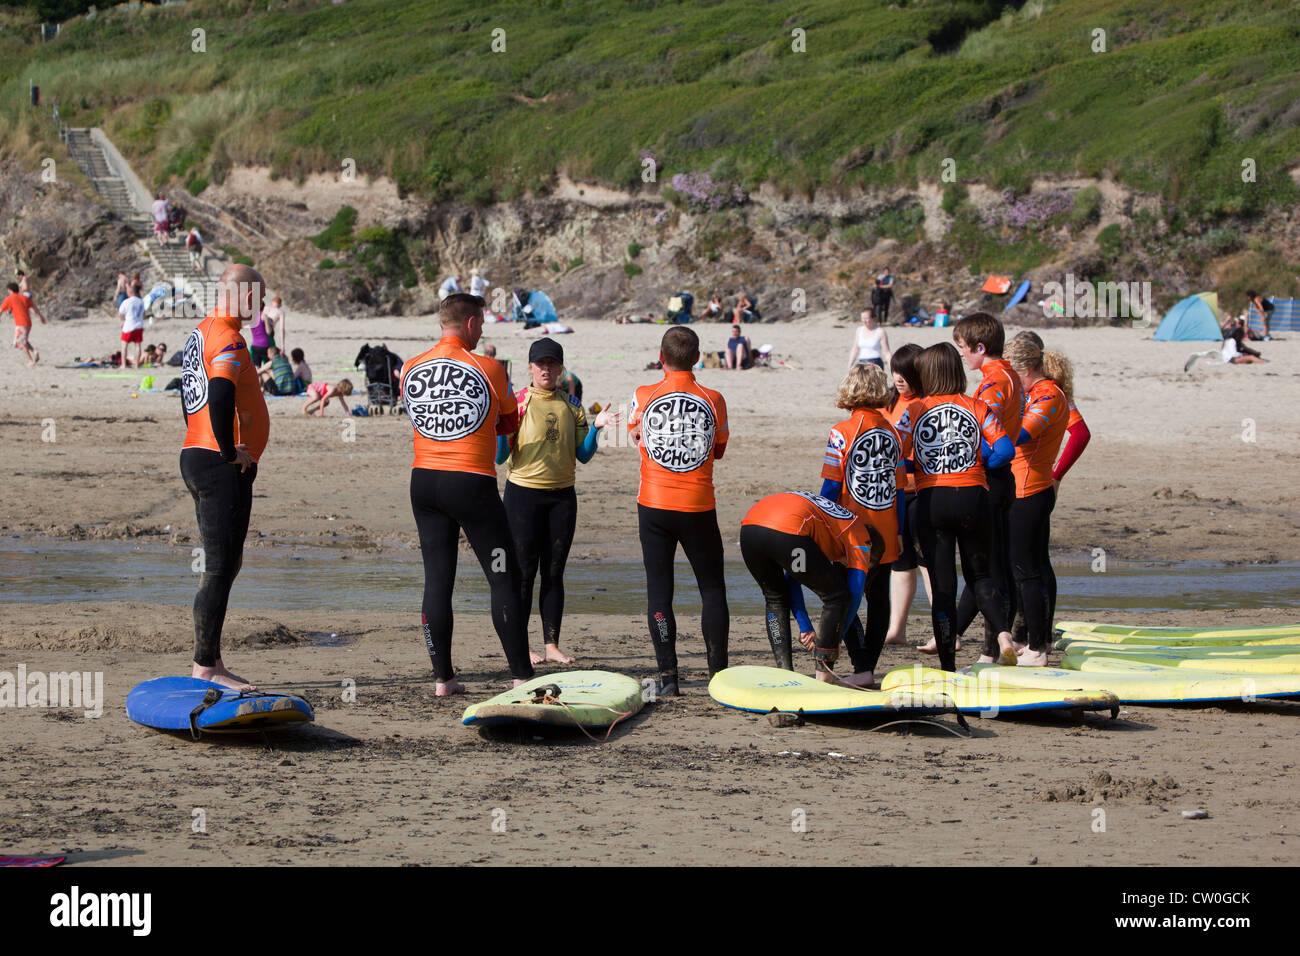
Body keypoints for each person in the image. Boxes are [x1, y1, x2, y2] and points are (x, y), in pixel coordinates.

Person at [400, 292, 535, 695]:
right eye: (482, 325)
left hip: (424, 483)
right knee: (502, 577)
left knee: (436, 581)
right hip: (471, 485)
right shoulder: (490, 368)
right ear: (472, 324)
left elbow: (422, 416)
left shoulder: (409, 367)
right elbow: (508, 423)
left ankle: (443, 679)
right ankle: (521, 674)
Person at [496, 337, 621, 665]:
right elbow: (499, 457)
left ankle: (552, 644)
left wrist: (596, 428)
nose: (546, 369)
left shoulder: (573, 404)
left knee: (554, 572)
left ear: (561, 368)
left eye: (552, 364)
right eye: (540, 364)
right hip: (522, 496)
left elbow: (583, 455)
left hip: (562, 498)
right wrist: (498, 426)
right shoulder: (518, 402)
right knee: (522, 573)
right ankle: (521, 645)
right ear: (530, 368)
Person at [179, 264, 271, 691]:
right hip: (218, 466)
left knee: (223, 565)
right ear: (246, 294)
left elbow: (188, 393)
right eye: (262, 295)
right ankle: (204, 667)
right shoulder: (230, 338)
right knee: (220, 566)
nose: (265, 303)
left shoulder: (201, 330)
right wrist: (226, 449)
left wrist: (207, 444)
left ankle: (211, 657)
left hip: (196, 455)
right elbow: (218, 394)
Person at [629, 326, 729, 695]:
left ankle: (668, 679)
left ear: (661, 356)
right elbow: (717, 450)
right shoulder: (714, 398)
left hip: (654, 504)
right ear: (698, 358)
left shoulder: (643, 394)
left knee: (659, 592)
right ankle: (718, 676)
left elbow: (637, 437)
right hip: (698, 505)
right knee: (712, 589)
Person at [909, 342, 1017, 671]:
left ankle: (948, 667)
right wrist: (978, 461)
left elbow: (901, 457)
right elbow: (1007, 450)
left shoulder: (914, 411)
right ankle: (1002, 636)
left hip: (933, 501)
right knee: (981, 576)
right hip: (974, 497)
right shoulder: (976, 406)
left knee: (943, 588)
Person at [817, 363, 906, 686]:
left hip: (850, 529)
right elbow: (899, 490)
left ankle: (861, 665)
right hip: (886, 525)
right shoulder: (894, 432)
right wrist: (899, 531)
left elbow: (830, 486)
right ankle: (867, 667)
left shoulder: (841, 432)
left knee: (843, 596)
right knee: (878, 599)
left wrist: (822, 524)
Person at [740, 492, 883, 684]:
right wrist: (834, 641)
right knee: (838, 597)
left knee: (775, 597)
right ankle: (823, 679)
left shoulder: (827, 530)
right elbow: (854, 594)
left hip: (750, 528)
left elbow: (793, 578)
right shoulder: (860, 535)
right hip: (787, 529)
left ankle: (784, 675)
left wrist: (805, 627)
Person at [946, 312, 1021, 662]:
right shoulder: (1012, 375)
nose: (960, 355)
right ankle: (986, 644)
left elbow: (987, 435)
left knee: (987, 569)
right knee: (998, 566)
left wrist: (976, 465)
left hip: (993, 476)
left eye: (962, 348)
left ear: (980, 347)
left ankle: (991, 649)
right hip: (1007, 479)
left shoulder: (991, 383)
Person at [1004, 334, 1072, 667]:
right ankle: (1034, 639)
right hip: (1027, 489)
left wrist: (993, 415)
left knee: (1026, 570)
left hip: (1029, 491)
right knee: (1033, 568)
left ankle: (1037, 647)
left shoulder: (1048, 395)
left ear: (1022, 368)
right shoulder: (1033, 393)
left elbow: (1022, 435)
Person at [881, 343, 930, 646]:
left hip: (922, 491)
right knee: (900, 564)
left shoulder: (927, 403)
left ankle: (947, 630)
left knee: (928, 565)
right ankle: (896, 630)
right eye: (896, 371)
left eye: (906, 372)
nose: (899, 378)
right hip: (894, 493)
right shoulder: (886, 403)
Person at [3, 281, 45, 366]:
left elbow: (1, 309)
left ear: (10, 290)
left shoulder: (10, 298)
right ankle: (34, 351)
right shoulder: (24, 297)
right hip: (28, 323)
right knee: (24, 341)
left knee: (19, 343)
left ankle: (30, 360)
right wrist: (41, 317)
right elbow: (34, 308)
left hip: (20, 323)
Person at [118, 282, 146, 369]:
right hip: (139, 325)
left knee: (124, 346)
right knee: (138, 346)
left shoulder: (126, 301)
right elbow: (144, 314)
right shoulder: (141, 301)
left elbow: (120, 314)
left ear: (130, 292)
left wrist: (123, 320)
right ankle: (137, 365)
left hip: (129, 326)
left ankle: (123, 365)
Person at [247, 303, 277, 367]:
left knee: (257, 367)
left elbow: (251, 333)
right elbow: (268, 332)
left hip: (254, 345)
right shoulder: (263, 316)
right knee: (268, 367)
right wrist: (267, 321)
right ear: (263, 308)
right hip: (265, 345)